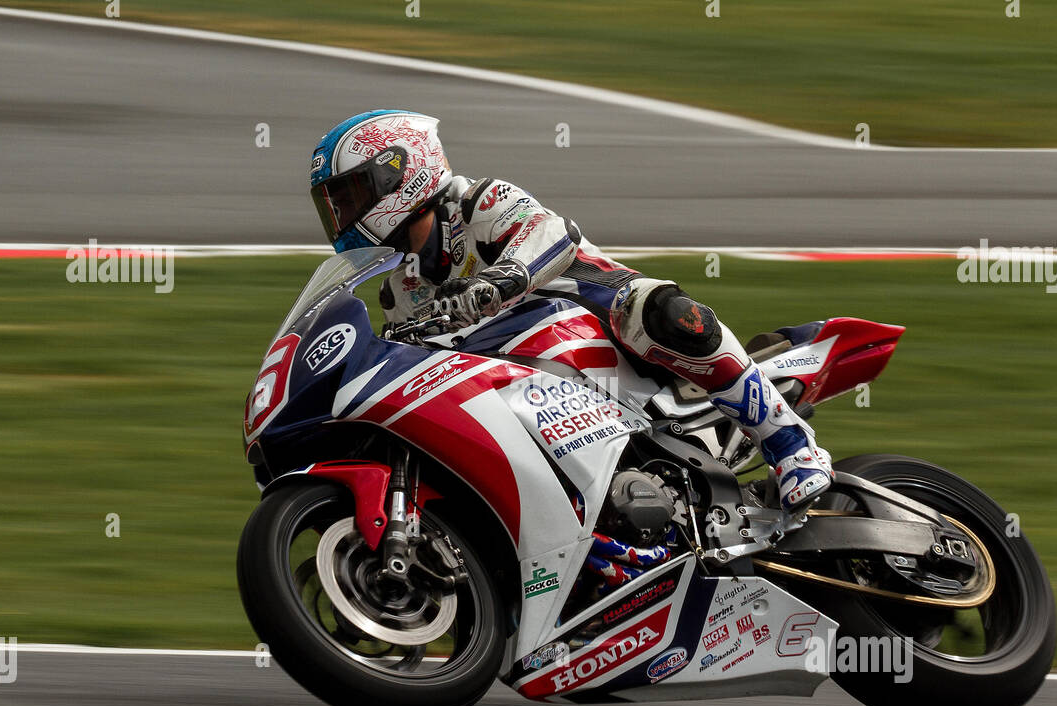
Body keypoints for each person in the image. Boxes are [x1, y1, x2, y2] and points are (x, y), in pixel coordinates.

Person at [308, 110, 832, 514]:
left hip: (596, 326)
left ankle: (788, 441)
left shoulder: (481, 202)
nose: (343, 215)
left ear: (402, 173)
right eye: (335, 203)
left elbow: (551, 237)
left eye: (350, 195)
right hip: (511, 382)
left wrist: (503, 279)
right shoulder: (400, 288)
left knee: (656, 310)